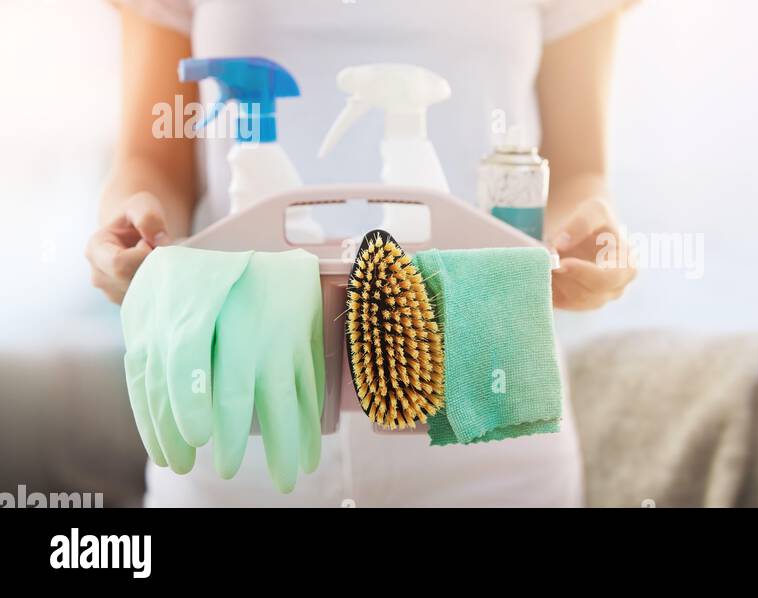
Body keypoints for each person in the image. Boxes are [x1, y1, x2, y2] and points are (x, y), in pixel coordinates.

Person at [84, 0, 637, 506]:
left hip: (488, 414)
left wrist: (585, 241)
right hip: (240, 409)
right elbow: (153, 162)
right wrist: (136, 228)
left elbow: (577, 171)